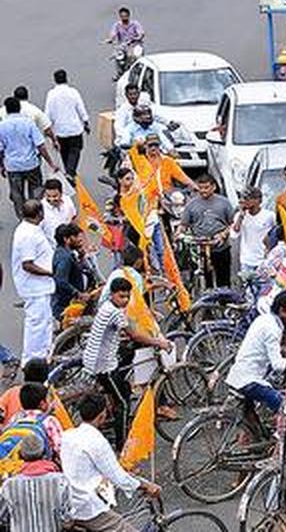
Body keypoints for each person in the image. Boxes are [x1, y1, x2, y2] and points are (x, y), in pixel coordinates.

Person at [81, 276, 171, 448]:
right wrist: (159, 342)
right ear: (113, 295)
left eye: (127, 296)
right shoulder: (114, 312)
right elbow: (134, 334)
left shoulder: (107, 306)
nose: (125, 300)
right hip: (102, 366)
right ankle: (122, 447)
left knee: (124, 385)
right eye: (121, 296)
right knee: (122, 402)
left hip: (98, 358)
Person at [61, 393, 162, 532]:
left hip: (67, 503)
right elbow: (118, 477)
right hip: (87, 507)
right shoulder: (96, 441)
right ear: (102, 415)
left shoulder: (67, 436)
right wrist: (145, 485)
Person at [226, 290, 286, 413]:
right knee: (283, 406)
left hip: (238, 373)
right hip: (249, 380)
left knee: (250, 416)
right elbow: (277, 365)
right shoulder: (273, 329)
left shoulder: (264, 319)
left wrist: (283, 350)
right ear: (282, 310)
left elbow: (263, 346)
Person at [13, 201, 56, 364]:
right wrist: (51, 272)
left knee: (44, 323)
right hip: (35, 287)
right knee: (37, 325)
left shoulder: (31, 229)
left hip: (41, 287)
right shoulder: (27, 235)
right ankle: (31, 361)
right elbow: (27, 264)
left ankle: (43, 357)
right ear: (40, 214)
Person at [0, 431, 69, 532]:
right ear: (44, 453)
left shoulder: (8, 485)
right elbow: (67, 519)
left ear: (20, 455)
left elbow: (2, 516)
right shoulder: (60, 481)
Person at [0, 97, 56, 216]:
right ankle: (35, 214)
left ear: (6, 110)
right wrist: (51, 163)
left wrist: (2, 166)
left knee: (17, 194)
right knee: (36, 191)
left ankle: (22, 218)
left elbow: (0, 150)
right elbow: (40, 145)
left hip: (13, 166)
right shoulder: (28, 123)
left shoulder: (2, 126)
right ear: (19, 108)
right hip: (31, 164)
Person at [180, 173, 235, 288]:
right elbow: (184, 224)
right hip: (200, 249)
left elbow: (232, 224)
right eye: (200, 188)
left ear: (213, 187)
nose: (203, 191)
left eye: (206, 188)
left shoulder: (224, 203)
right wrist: (179, 234)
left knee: (223, 279)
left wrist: (222, 235)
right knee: (204, 278)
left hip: (220, 247)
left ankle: (224, 302)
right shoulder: (191, 205)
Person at [44, 70, 88, 182]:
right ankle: (70, 171)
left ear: (55, 80)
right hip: (75, 128)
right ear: (66, 78)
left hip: (59, 130)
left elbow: (48, 113)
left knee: (64, 151)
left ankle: (69, 171)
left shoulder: (51, 94)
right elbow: (80, 107)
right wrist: (85, 121)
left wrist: (47, 127)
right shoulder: (73, 92)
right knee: (75, 150)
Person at [51, 223, 96, 321]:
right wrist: (79, 294)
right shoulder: (65, 257)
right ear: (66, 239)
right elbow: (60, 280)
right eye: (75, 237)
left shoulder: (67, 254)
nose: (79, 239)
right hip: (66, 305)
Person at [232, 187, 274, 277]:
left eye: (247, 199)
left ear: (257, 200)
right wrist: (240, 217)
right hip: (247, 259)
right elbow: (234, 233)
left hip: (263, 259)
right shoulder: (239, 216)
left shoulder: (269, 216)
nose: (245, 202)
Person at [39, 179, 76, 243]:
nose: (51, 199)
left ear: (61, 194)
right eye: (48, 196)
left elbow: (73, 218)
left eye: (55, 196)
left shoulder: (68, 201)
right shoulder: (40, 209)